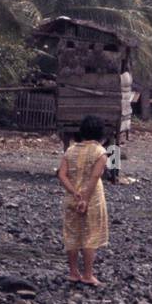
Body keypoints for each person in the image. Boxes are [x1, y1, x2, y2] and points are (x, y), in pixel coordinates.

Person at [57, 116, 109, 285]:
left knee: (72, 234)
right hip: (92, 199)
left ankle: (73, 272)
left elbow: (62, 175)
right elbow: (95, 177)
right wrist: (85, 199)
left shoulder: (70, 150)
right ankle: (88, 275)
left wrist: (74, 192)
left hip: (71, 198)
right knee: (90, 235)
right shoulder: (100, 152)